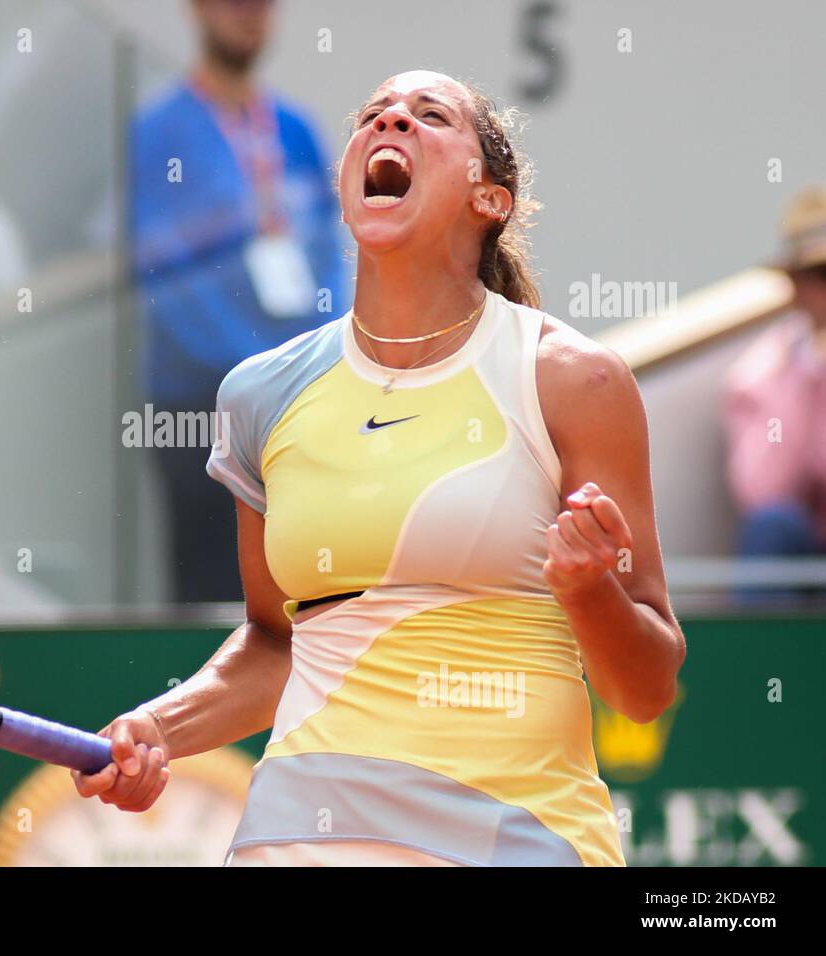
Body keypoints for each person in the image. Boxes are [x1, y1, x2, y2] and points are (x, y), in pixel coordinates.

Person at [78, 70, 686, 866]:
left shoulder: (574, 380)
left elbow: (645, 690)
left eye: (429, 117)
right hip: (298, 838)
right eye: (373, 116)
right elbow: (274, 640)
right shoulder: (261, 393)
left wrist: (587, 588)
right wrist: (162, 725)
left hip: (516, 838)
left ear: (489, 198)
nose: (391, 120)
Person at [130, 0, 351, 602]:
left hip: (297, 400)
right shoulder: (158, 134)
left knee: (308, 588)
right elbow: (164, 277)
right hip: (203, 404)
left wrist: (327, 359)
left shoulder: (295, 129)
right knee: (217, 592)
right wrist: (263, 371)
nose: (250, 14)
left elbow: (328, 256)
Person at [724, 186, 826, 570]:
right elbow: (764, 493)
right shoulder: (761, 373)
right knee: (772, 526)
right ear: (796, 286)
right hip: (804, 549)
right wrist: (808, 374)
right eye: (819, 274)